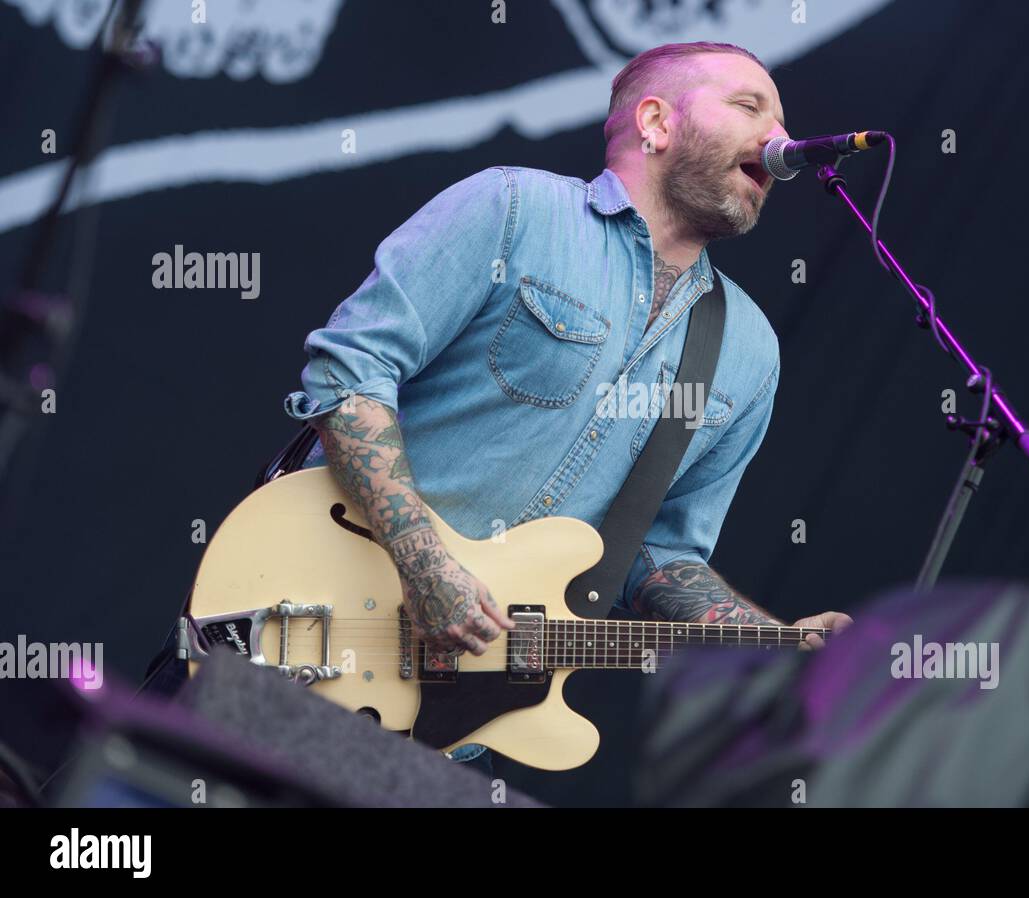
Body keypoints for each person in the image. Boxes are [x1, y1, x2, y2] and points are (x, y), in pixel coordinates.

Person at [280, 42, 853, 771]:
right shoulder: (513, 209)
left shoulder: (747, 351)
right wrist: (423, 565)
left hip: (449, 729)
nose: (780, 141)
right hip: (307, 614)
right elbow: (351, 369)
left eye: (782, 120)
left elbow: (662, 551)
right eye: (749, 108)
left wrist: (774, 641)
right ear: (656, 121)